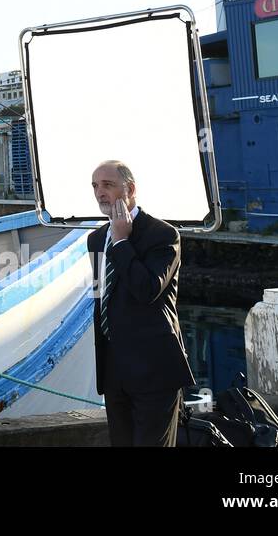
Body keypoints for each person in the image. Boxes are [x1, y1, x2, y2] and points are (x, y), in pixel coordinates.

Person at [88, 160, 195, 447]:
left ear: (130, 188)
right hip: (114, 371)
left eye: (107, 185)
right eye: (95, 186)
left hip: (154, 368)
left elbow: (147, 290)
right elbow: (102, 298)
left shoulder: (163, 235)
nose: (100, 192)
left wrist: (122, 243)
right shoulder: (96, 239)